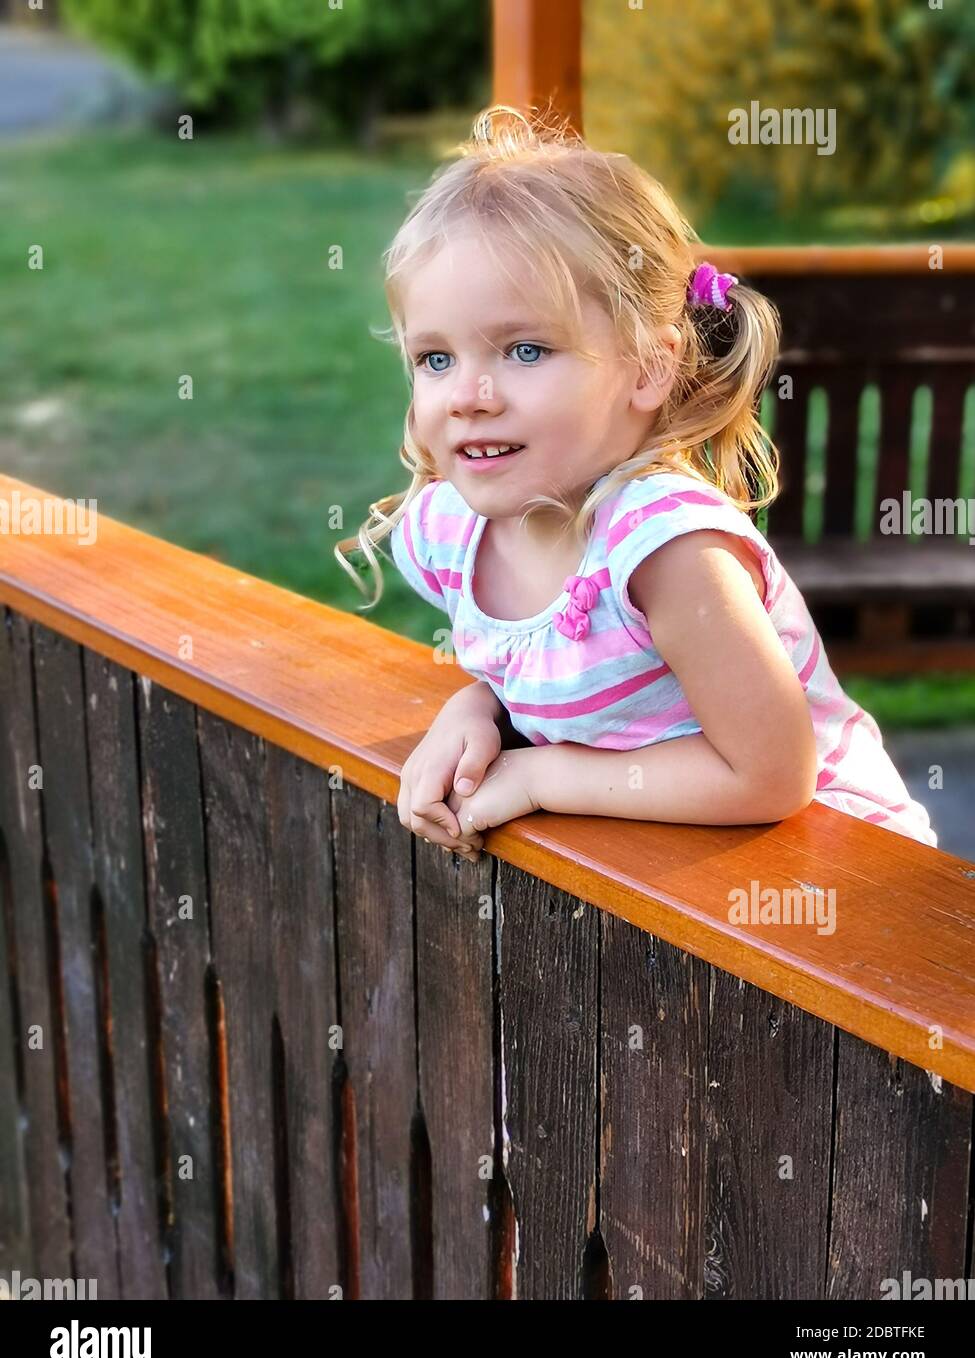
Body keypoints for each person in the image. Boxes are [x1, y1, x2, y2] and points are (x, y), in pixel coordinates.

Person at [334, 105, 937, 862]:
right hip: (673, 880)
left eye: (523, 350)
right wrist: (477, 706)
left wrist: (542, 774)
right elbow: (547, 670)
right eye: (435, 359)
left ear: (649, 368)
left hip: (841, 883)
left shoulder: (668, 550)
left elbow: (772, 776)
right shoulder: (452, 530)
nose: (467, 395)